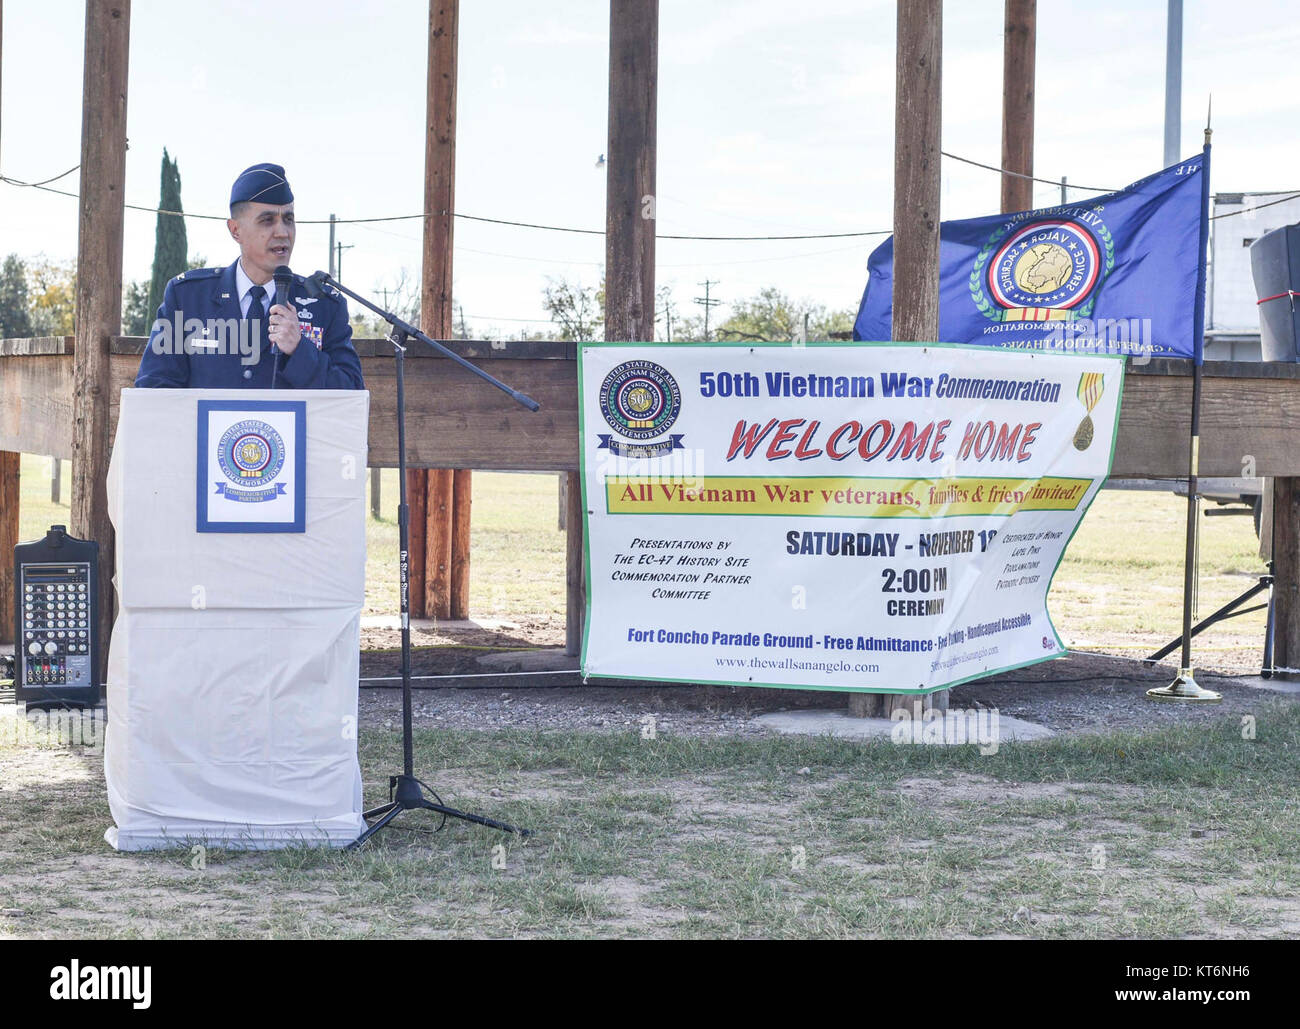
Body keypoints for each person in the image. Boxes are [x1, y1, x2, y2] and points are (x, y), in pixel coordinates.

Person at [134, 163, 365, 390]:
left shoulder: (324, 305)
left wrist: (299, 349)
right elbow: (154, 389)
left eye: (288, 219)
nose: (283, 232)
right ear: (235, 230)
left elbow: (351, 395)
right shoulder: (188, 298)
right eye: (267, 220)